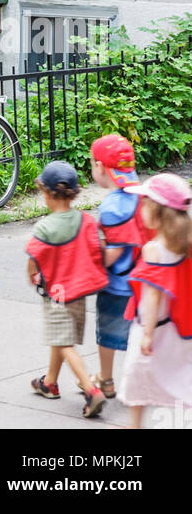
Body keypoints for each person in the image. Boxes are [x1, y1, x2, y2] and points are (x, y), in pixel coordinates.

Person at [25, 160, 109, 418]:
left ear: (49, 194)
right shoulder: (85, 220)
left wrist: (33, 276)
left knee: (64, 343)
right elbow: (100, 248)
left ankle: (90, 390)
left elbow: (33, 259)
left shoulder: (45, 227)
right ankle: (49, 382)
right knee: (60, 339)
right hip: (79, 295)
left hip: (57, 295)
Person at [120, 173, 192, 428]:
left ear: (156, 211)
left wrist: (147, 333)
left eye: (144, 203)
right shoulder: (184, 246)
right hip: (177, 329)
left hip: (153, 327)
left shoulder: (154, 249)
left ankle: (134, 425)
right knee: (179, 377)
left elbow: (151, 295)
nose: (140, 208)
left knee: (137, 374)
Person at [88, 133, 150, 400]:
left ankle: (106, 379)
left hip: (117, 286)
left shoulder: (111, 206)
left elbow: (111, 256)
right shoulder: (144, 197)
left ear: (101, 168)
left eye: (92, 164)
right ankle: (142, 381)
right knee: (141, 334)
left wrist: (92, 257)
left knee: (108, 333)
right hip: (144, 283)